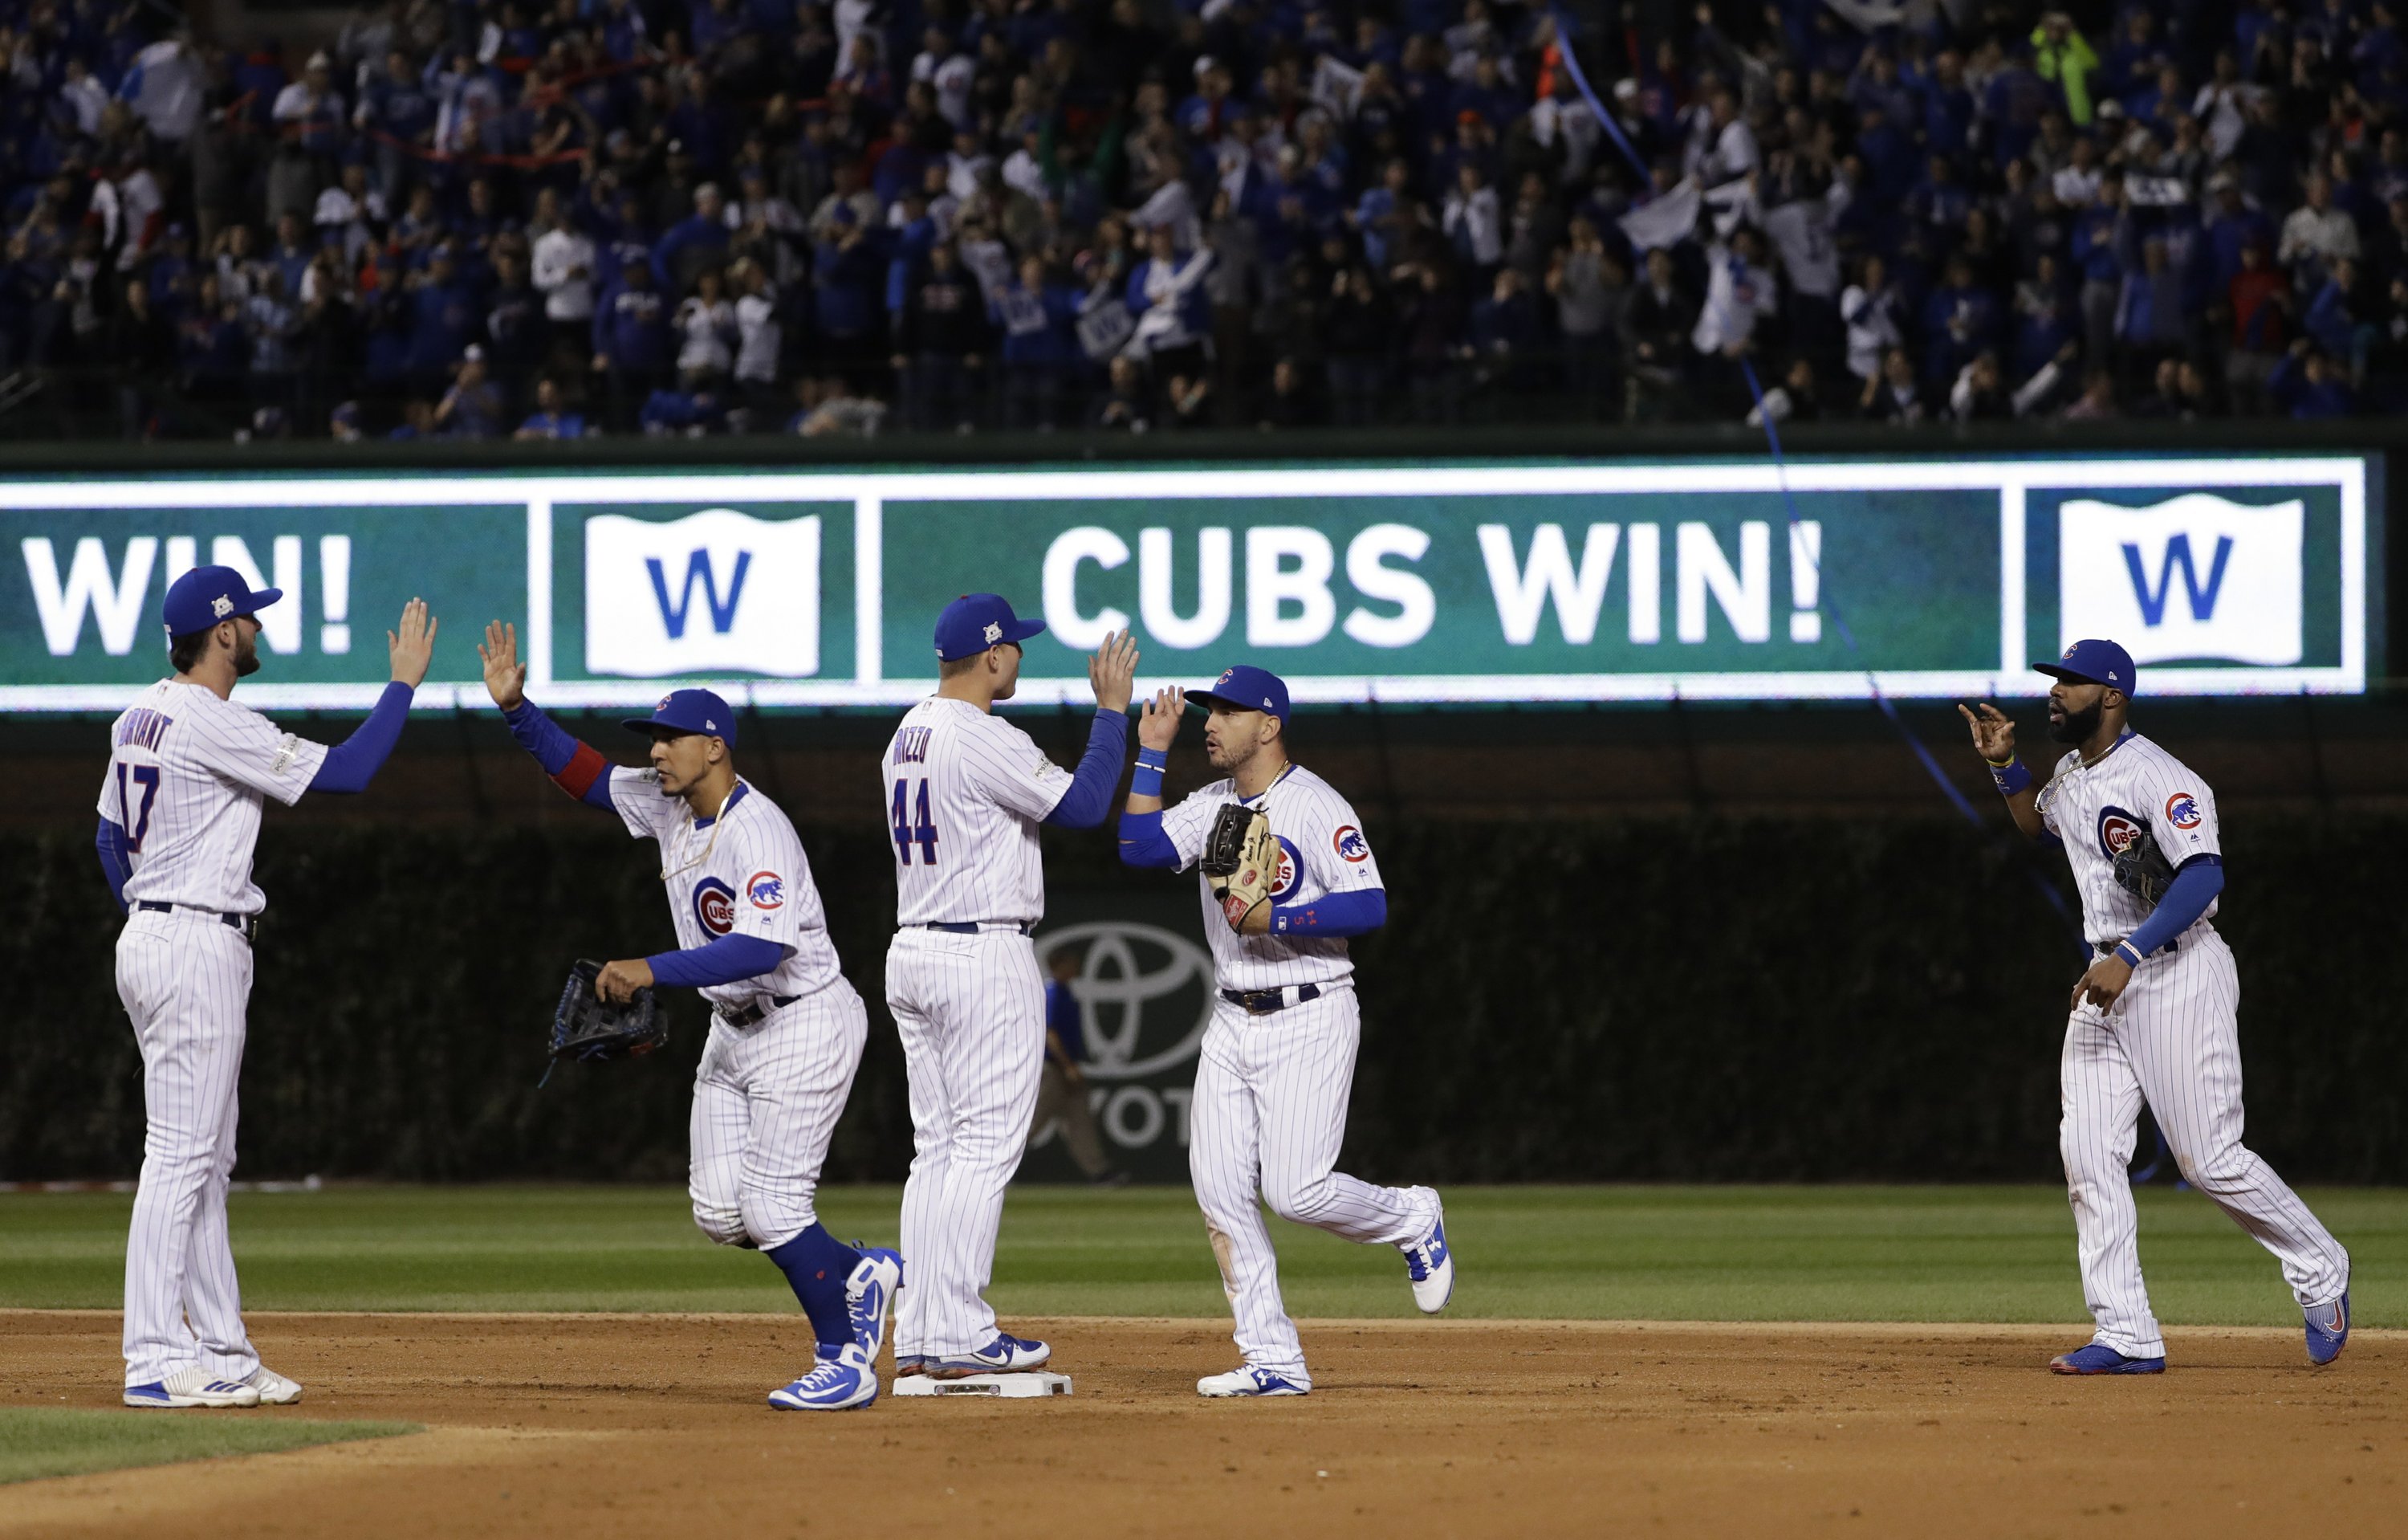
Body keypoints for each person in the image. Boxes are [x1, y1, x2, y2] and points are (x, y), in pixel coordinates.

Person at [476, 624, 899, 1410]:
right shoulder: (668, 804)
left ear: (715, 746)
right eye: (654, 738)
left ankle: (843, 1357)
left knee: (773, 1206)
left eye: (670, 738)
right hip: (730, 1032)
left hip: (803, 1018)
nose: (657, 750)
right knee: (718, 1211)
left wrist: (649, 969)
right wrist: (515, 709)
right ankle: (856, 1273)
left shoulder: (756, 827)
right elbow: (589, 777)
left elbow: (761, 947)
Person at [1961, 642, 2352, 1375]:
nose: (2055, 693)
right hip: (2106, 979)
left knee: (2209, 1161)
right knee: (2088, 1156)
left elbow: (2203, 875)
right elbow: (2037, 827)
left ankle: (2322, 1268)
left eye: (2071, 683)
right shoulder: (2075, 772)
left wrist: (2131, 955)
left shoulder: (2162, 777)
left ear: (2112, 696)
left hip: (2173, 971)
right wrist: (2003, 765)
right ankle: (2127, 1331)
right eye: (2054, 680)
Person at [100, 569, 436, 1408]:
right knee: (181, 1157)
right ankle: (151, 1354)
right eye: (249, 618)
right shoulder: (214, 719)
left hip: (161, 934)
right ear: (221, 633)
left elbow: (109, 838)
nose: (257, 629)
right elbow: (350, 773)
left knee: (207, 1161)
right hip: (192, 941)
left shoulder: (137, 712)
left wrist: (148, 914)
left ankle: (221, 1349)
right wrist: (402, 684)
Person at [1116, 666, 1453, 1397]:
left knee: (1297, 1193)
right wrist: (1149, 750)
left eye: (1227, 713)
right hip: (1231, 1017)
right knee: (1220, 1194)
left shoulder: (1316, 804)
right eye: (1208, 712)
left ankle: (1412, 1216)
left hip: (1311, 1010)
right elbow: (1138, 848)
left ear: (1268, 726)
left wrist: (1280, 918)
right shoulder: (1210, 806)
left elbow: (1370, 906)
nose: (1210, 723)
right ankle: (1271, 1357)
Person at [880, 597, 1135, 1382]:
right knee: (983, 1149)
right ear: (990, 657)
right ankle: (958, 1327)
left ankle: (922, 1326)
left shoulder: (905, 731)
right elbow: (1087, 805)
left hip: (913, 947)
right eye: (1014, 647)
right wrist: (1112, 714)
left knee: (937, 1151)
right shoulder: (982, 734)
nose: (1019, 657)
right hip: (979, 953)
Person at [1028, 947, 1122, 1184]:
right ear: (1059, 965)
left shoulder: (1066, 992)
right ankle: (995, 1164)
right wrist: (1067, 1066)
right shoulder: (1052, 992)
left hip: (1067, 1069)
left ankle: (1100, 1172)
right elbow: (1050, 1034)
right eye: (1071, 962)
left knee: (1080, 1121)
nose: (1076, 966)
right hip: (1052, 1069)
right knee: (1029, 1124)